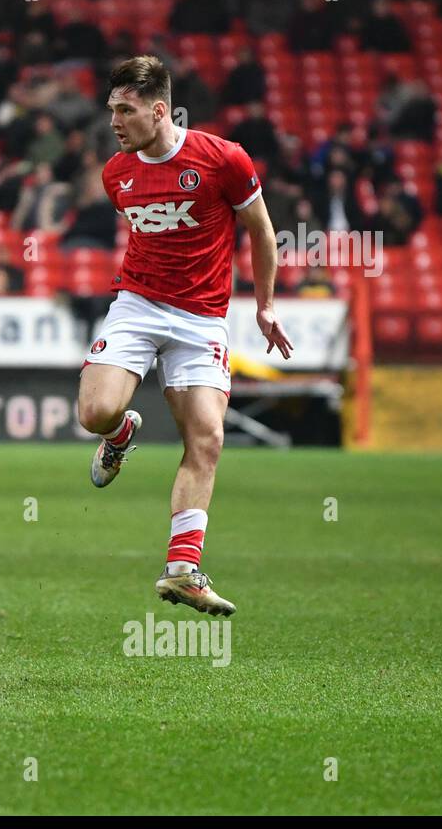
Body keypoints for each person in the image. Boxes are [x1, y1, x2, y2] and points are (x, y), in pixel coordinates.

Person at [78, 56, 293, 617]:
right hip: (139, 305)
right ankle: (121, 432)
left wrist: (265, 306)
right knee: (94, 413)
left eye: (125, 111)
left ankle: (181, 570)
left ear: (159, 109)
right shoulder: (116, 174)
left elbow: (262, 231)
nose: (115, 122)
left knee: (208, 439)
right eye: (111, 111)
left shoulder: (223, 160)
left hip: (201, 319)